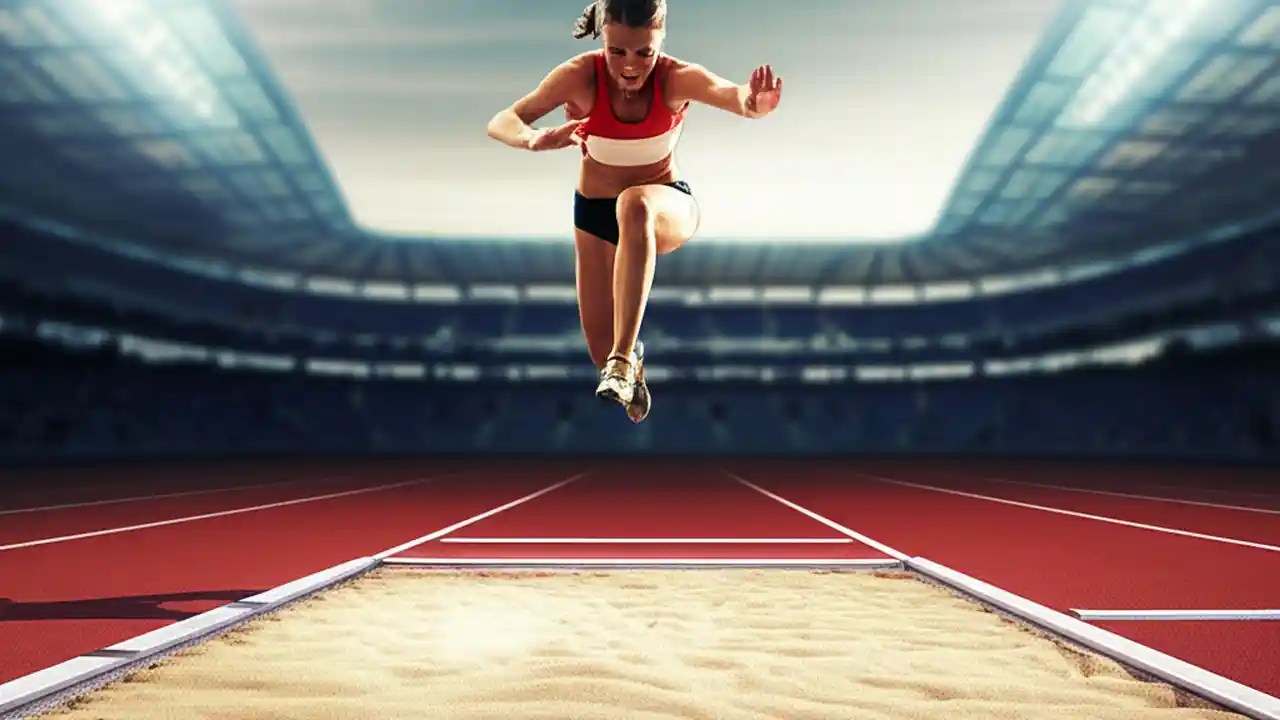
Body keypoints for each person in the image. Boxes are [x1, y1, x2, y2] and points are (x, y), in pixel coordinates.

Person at [486, 0, 782, 423]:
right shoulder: (579, 76)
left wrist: (756, 103)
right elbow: (503, 120)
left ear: (661, 41)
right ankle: (628, 363)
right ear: (603, 38)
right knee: (597, 351)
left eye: (645, 52)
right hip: (594, 215)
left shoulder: (676, 78)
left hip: (664, 203)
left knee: (635, 204)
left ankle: (623, 360)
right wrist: (535, 139)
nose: (630, 66)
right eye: (617, 52)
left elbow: (731, 95)